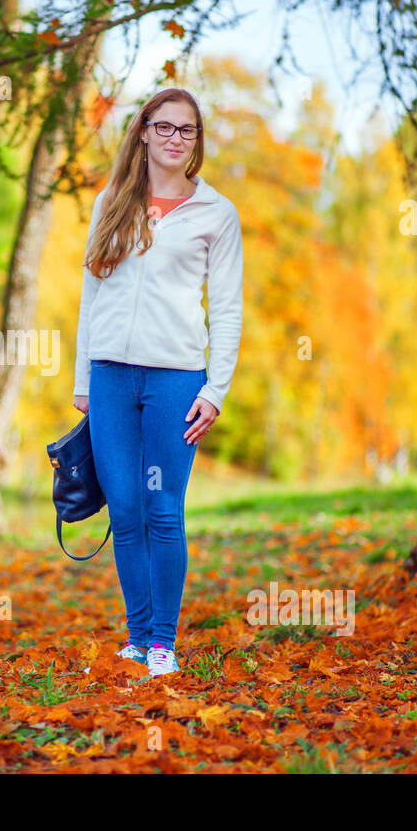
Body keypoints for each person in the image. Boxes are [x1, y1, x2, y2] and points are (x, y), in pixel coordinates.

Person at [72, 87, 244, 677]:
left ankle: (163, 642)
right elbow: (91, 294)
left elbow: (226, 308)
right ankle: (138, 635)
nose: (175, 138)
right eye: (164, 127)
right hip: (111, 377)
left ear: (196, 143)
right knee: (123, 510)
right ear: (143, 132)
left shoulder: (216, 214)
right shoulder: (111, 203)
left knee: (162, 509)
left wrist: (214, 389)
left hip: (176, 379)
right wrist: (82, 380)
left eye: (187, 131)